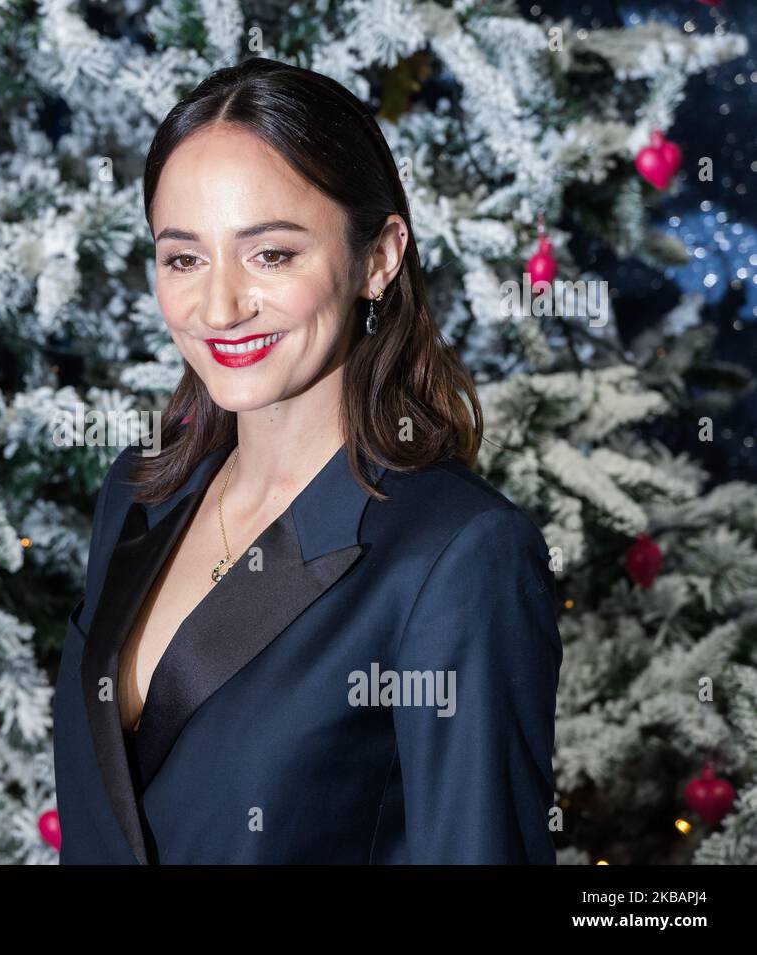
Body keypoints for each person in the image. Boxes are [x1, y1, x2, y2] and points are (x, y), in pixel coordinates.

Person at [52, 57, 562, 864]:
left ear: (378, 258)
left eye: (272, 254)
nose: (218, 307)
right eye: (184, 257)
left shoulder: (463, 556)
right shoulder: (139, 490)